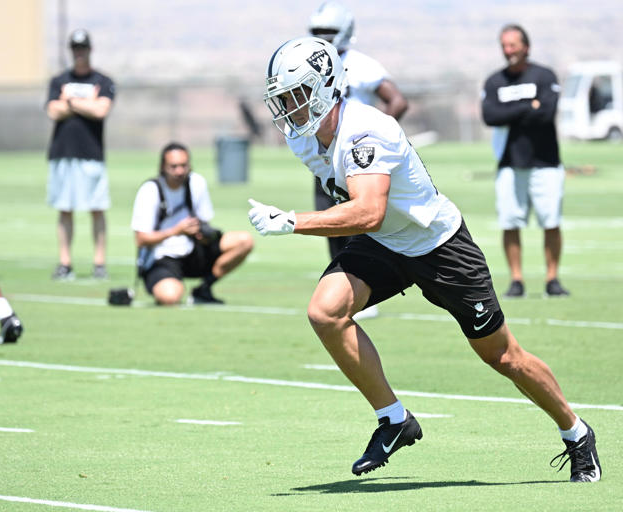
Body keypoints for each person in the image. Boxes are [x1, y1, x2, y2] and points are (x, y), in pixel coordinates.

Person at [250, 36, 601, 481]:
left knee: (502, 356)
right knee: (325, 311)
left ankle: (576, 432)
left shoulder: (365, 129)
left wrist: (293, 221)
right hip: (385, 242)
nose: (288, 106)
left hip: (438, 245)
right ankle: (393, 419)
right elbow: (367, 217)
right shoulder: (303, 140)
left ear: (324, 87)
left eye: (295, 94)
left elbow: (369, 211)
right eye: (283, 97)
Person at [307, 1, 409, 319]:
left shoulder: (362, 66)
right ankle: (340, 291)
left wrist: (376, 136)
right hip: (325, 160)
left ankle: (364, 293)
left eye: (329, 31)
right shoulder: (309, 64)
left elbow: (397, 100)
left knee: (359, 222)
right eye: (318, 31)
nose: (323, 36)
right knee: (329, 223)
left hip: (359, 161)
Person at [480, 24, 569, 299]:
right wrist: (528, 106)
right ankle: (516, 280)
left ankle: (552, 279)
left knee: (551, 221)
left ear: (526, 47)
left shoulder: (544, 75)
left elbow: (547, 112)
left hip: (546, 162)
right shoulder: (494, 81)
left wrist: (509, 112)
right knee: (510, 223)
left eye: (513, 45)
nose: (508, 51)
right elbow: (490, 116)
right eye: (504, 46)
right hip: (509, 163)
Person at [131, 142, 253, 305]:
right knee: (170, 297)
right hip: (161, 257)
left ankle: (204, 289)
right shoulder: (150, 190)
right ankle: (170, 284)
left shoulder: (196, 182)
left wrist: (203, 233)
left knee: (244, 241)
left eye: (184, 165)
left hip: (192, 249)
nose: (179, 171)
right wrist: (176, 231)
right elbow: (141, 239)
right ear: (163, 167)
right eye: (174, 166)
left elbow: (204, 220)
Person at [46, 29, 115, 281]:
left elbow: (101, 110)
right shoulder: (59, 80)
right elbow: (53, 111)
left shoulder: (103, 80)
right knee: (65, 208)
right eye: (75, 48)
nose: (79, 53)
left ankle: (99, 264)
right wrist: (86, 103)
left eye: (83, 48)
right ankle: (65, 263)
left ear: (90, 49)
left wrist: (71, 102)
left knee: (97, 208)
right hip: (62, 152)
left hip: (91, 153)